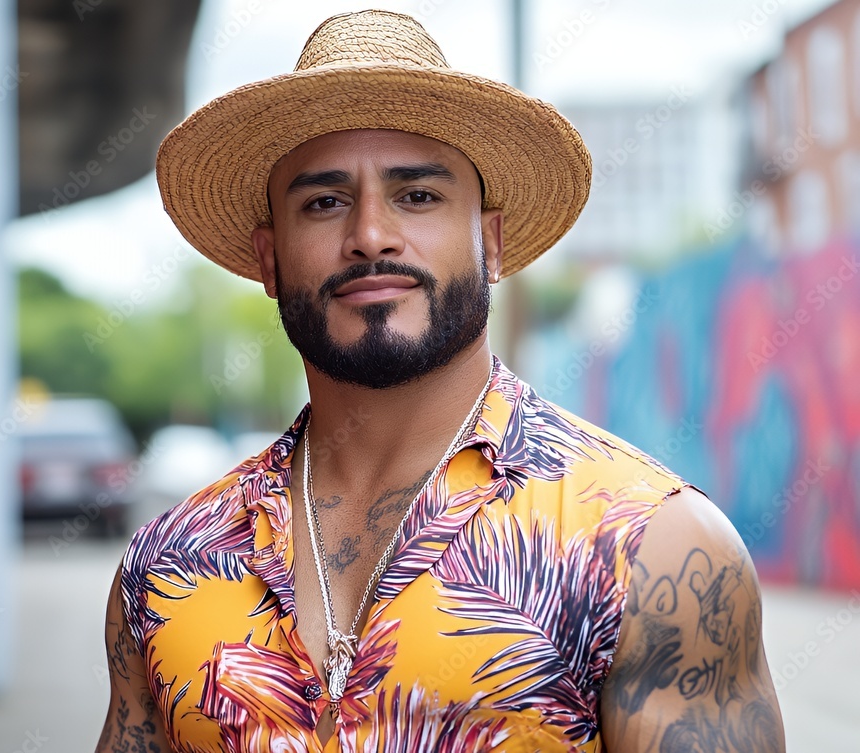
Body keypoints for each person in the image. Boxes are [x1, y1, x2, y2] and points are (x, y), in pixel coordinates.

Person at [96, 10, 785, 753]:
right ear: (270, 258)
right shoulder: (168, 567)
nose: (370, 233)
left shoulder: (652, 550)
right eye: (323, 202)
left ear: (488, 242)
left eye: (417, 196)